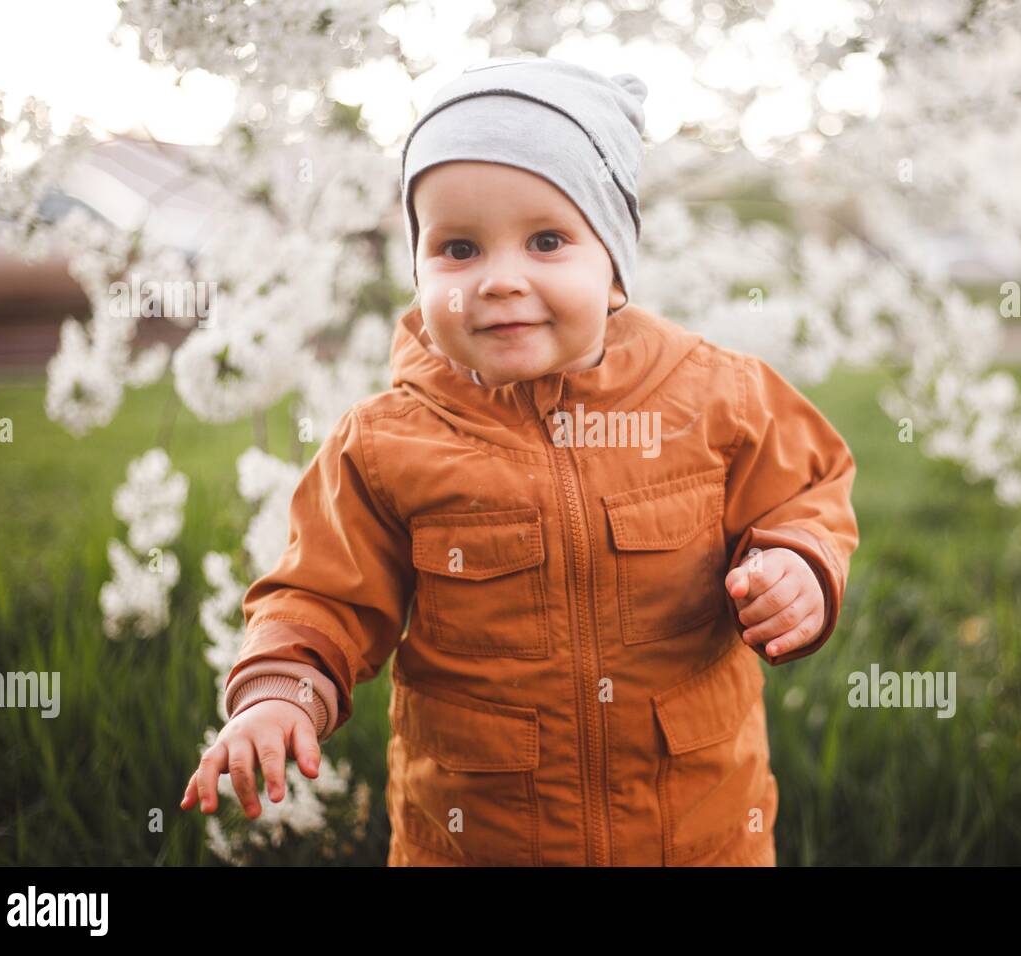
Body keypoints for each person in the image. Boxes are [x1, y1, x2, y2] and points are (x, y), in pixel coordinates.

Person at [179, 55, 859, 866]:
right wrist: (282, 693)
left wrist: (796, 564)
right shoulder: (387, 443)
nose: (499, 281)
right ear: (420, 265)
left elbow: (809, 486)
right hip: (479, 838)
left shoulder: (715, 396)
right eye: (459, 249)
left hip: (698, 832)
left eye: (546, 241)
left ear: (612, 260)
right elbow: (320, 592)